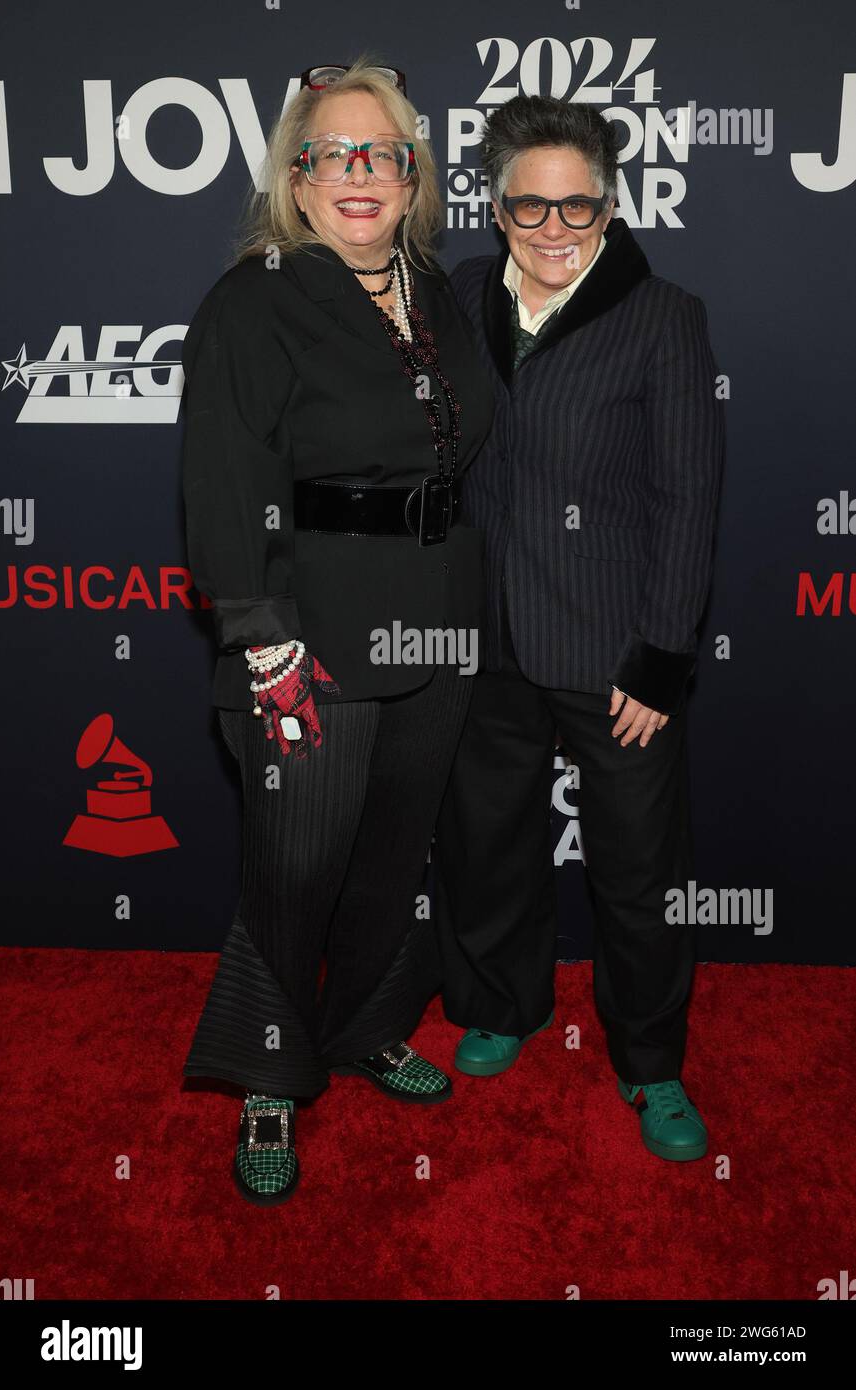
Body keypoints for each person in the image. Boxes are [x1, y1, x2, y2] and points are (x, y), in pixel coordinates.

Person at [179, 57, 494, 1204]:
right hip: (309, 640)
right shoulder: (255, 297)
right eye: (332, 155)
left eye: (383, 153)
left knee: (389, 855)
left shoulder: (437, 289)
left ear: (413, 176)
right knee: (295, 861)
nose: (359, 173)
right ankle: (271, 1074)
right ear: (296, 180)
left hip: (439, 624)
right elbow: (222, 482)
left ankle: (363, 1024)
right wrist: (265, 644)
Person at [434, 97, 725, 1162]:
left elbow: (688, 498)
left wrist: (658, 656)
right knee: (487, 851)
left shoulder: (663, 315)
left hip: (614, 653)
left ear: (611, 202)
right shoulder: (461, 294)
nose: (556, 230)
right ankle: (500, 1008)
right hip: (485, 641)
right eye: (531, 207)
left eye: (580, 206)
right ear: (496, 205)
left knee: (637, 876)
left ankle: (650, 1066)